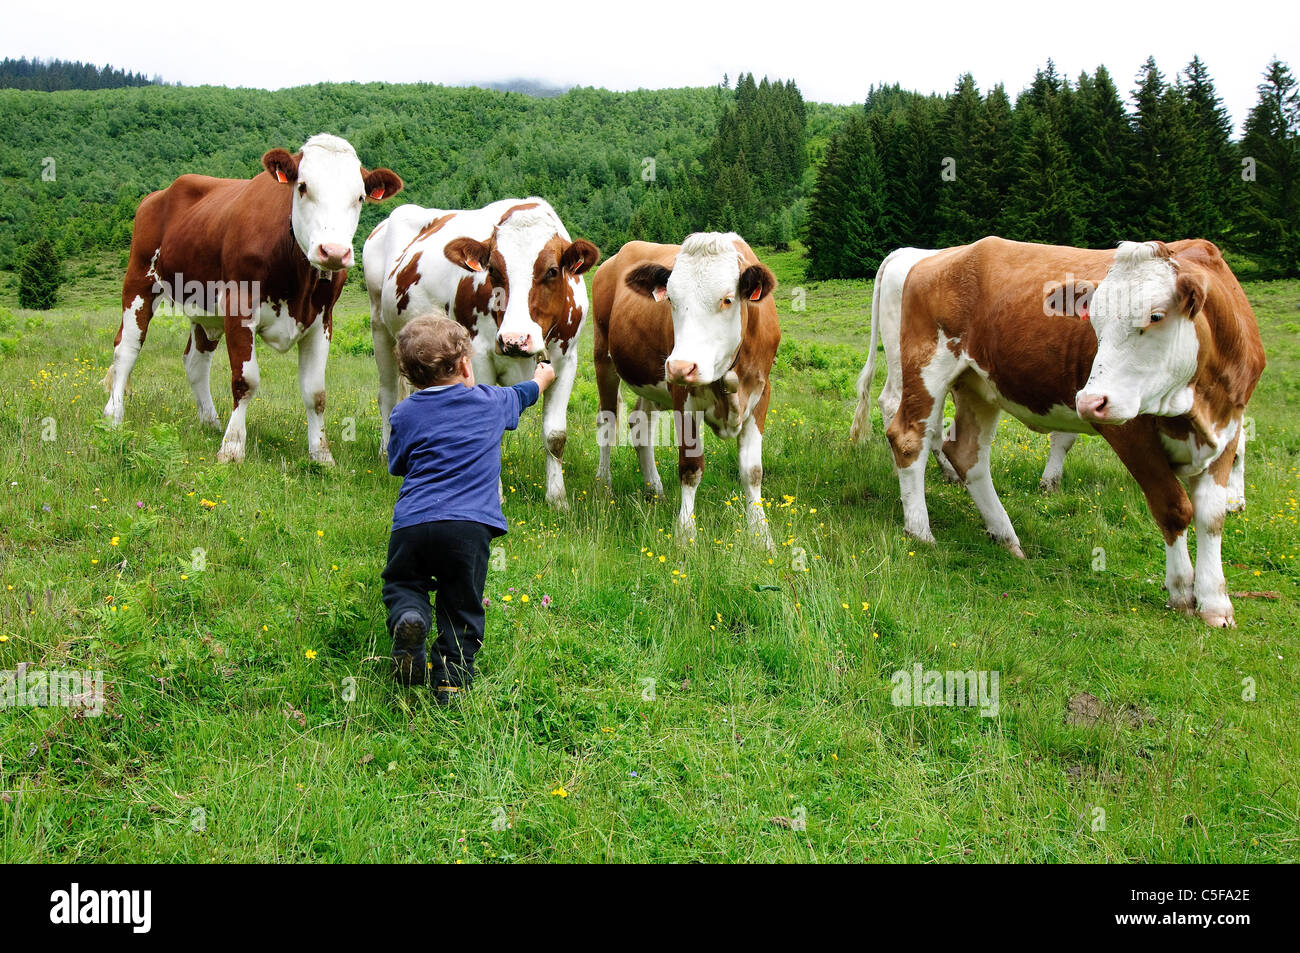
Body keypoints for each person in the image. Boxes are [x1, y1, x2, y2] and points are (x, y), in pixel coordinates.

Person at [381, 315, 555, 703]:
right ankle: (450, 683)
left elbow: (398, 465)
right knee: (461, 604)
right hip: (470, 528)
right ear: (464, 365)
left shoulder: (405, 413)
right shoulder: (492, 402)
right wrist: (543, 377)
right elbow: (525, 393)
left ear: (410, 377)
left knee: (404, 584)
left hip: (412, 525)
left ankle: (411, 618)